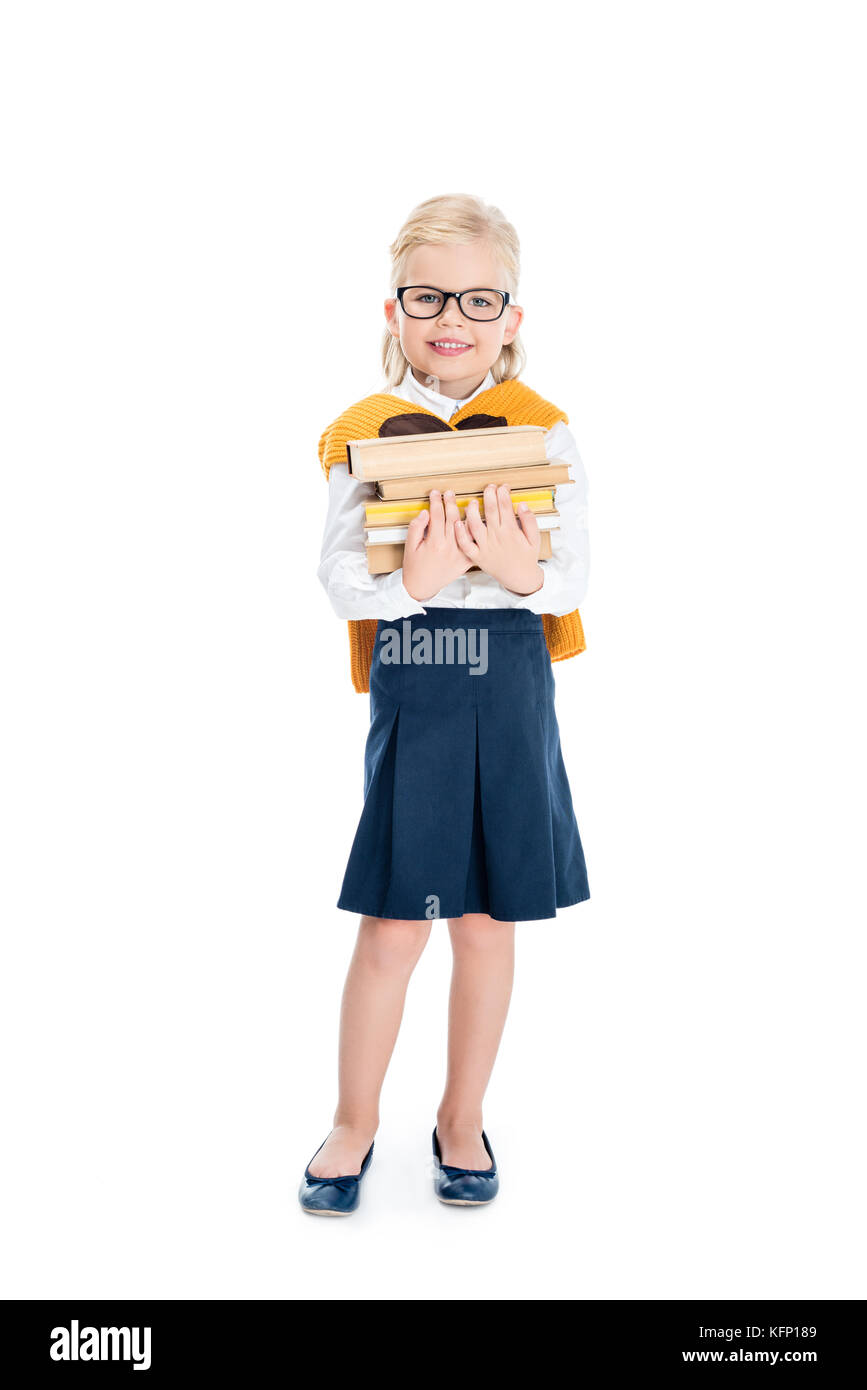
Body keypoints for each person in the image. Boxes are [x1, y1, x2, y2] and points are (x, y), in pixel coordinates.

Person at [298, 193, 591, 1215]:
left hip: (510, 688)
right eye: (429, 297)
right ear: (395, 311)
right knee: (391, 926)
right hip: (416, 682)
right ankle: (354, 1118)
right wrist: (411, 586)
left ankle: (461, 1118)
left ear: (512, 318)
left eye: (477, 298)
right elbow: (340, 576)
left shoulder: (544, 432)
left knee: (484, 922)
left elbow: (572, 577)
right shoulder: (364, 432)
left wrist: (520, 570)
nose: (451, 317)